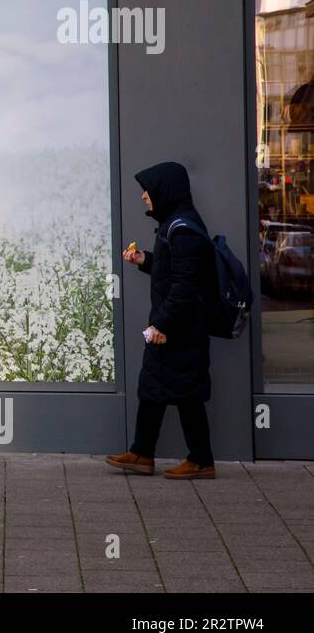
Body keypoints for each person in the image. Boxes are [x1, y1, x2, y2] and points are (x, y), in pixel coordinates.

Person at [106, 161, 217, 480]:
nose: (143, 196)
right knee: (154, 388)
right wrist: (145, 260)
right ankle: (142, 453)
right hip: (176, 327)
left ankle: (200, 460)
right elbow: (175, 272)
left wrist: (161, 325)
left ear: (165, 190)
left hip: (180, 329)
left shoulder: (183, 230)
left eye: (147, 190)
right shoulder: (175, 224)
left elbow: (185, 286)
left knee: (187, 394)